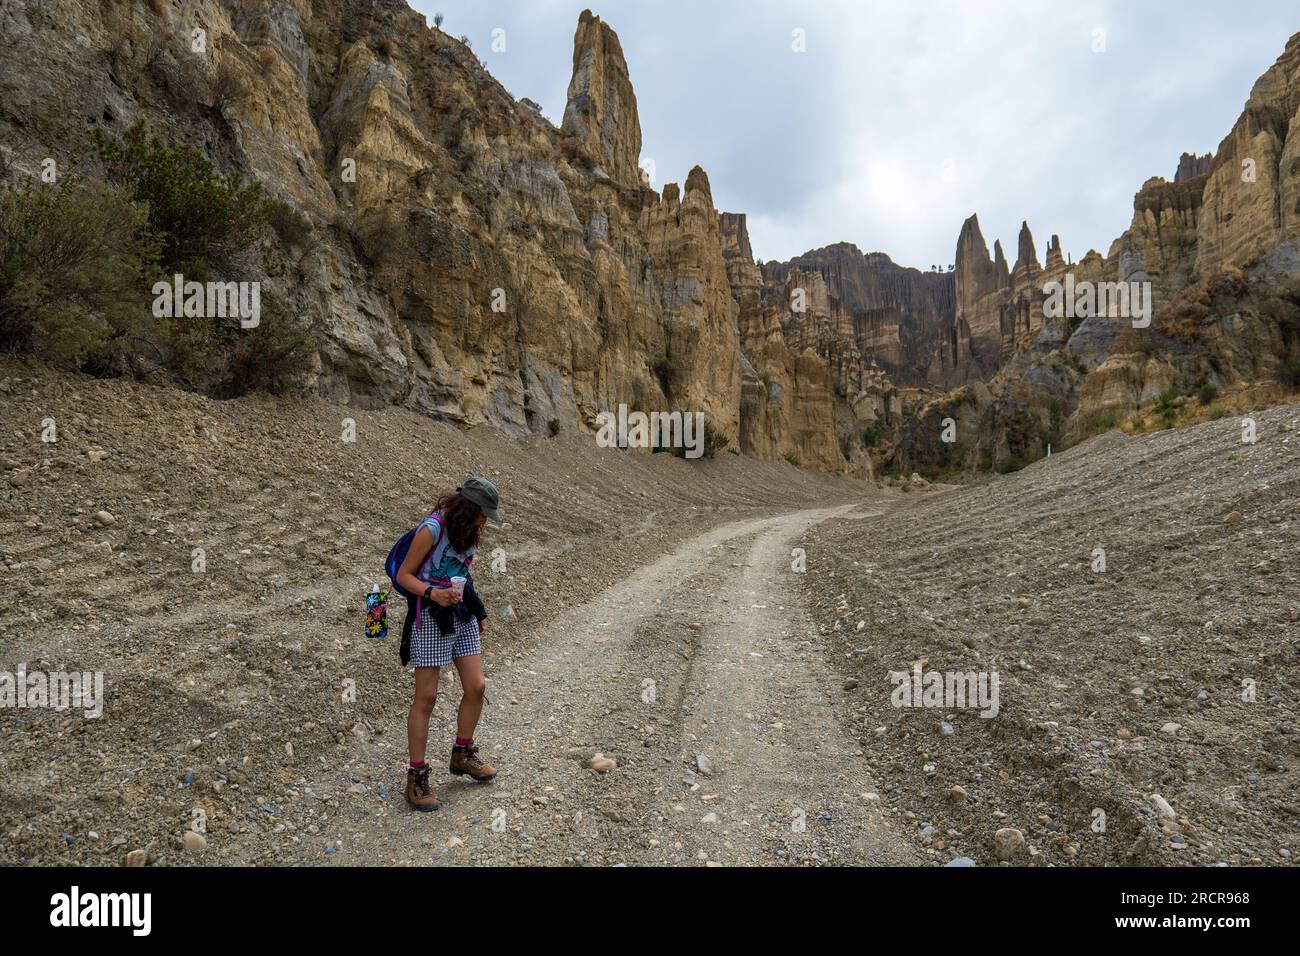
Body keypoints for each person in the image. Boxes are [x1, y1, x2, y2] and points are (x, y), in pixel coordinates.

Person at [394, 476, 502, 811]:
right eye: (482, 513)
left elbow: (462, 573)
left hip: (461, 615)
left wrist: (479, 610)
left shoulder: (469, 530)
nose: (485, 520)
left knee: (477, 686)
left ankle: (462, 754)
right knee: (425, 698)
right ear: (468, 508)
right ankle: (417, 776)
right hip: (429, 617)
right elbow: (403, 575)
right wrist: (432, 592)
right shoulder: (432, 528)